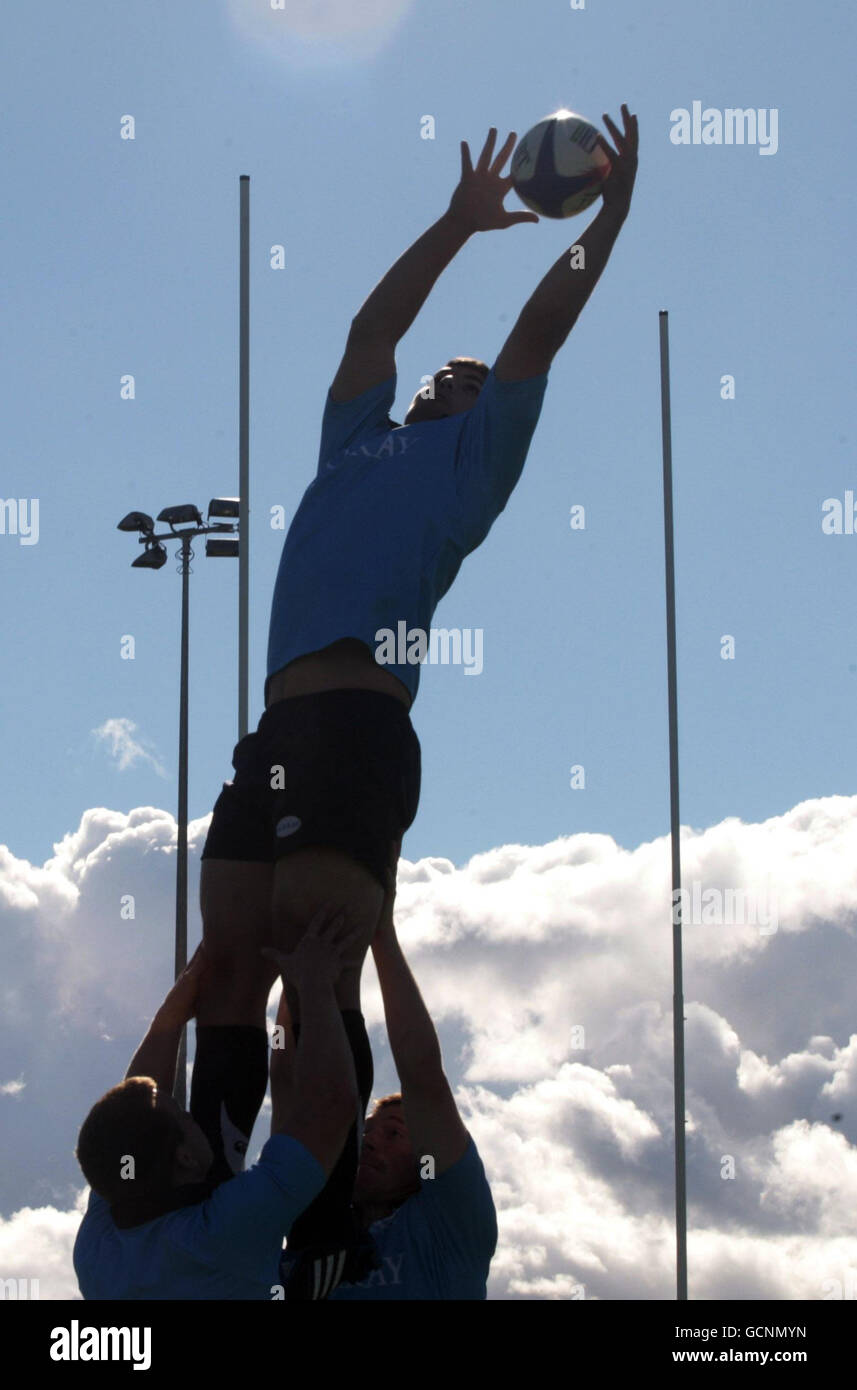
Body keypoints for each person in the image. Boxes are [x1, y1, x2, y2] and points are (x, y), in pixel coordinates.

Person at [200, 106, 639, 1293]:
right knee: (231, 962)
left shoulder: (472, 463)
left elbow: (536, 335)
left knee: (316, 959)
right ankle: (205, 1174)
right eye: (443, 367)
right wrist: (453, 223)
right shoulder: (355, 441)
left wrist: (612, 220)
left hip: (353, 723)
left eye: (469, 372)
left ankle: (326, 1222)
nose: (451, 365)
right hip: (276, 728)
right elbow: (368, 326)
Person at [73, 909, 361, 1299]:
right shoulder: (219, 1234)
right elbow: (330, 1107)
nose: (188, 1110)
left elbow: (130, 1123)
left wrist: (173, 1012)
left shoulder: (104, 1242)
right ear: (185, 1159)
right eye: (181, 1112)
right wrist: (315, 984)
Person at [271, 859, 497, 1301]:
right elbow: (286, 1081)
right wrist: (296, 977)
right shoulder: (308, 1224)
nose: (369, 1142)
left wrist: (382, 935)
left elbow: (423, 1076)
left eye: (394, 1133)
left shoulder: (447, 1227)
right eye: (367, 1132)